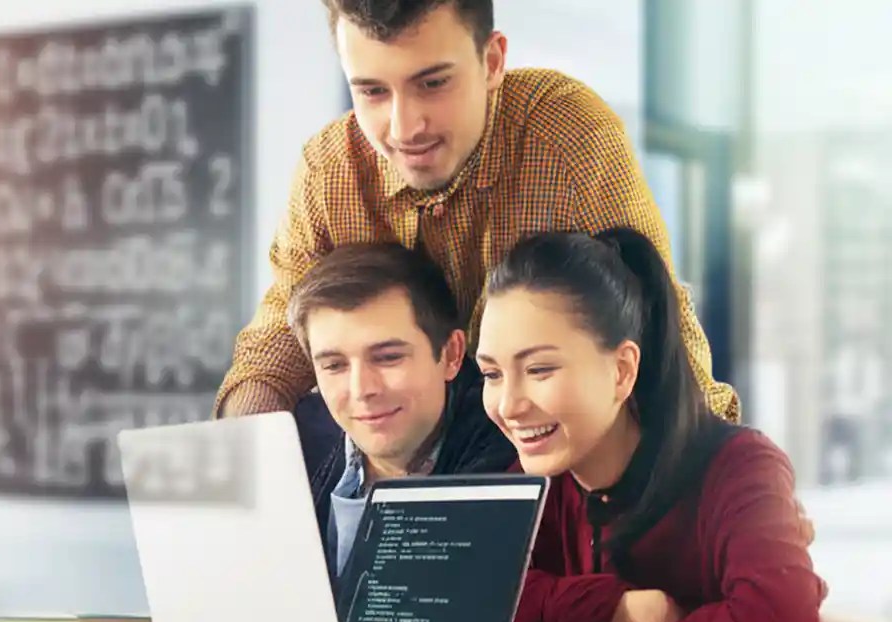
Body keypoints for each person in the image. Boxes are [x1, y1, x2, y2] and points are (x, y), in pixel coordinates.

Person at [216, 0, 739, 425]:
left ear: (491, 62)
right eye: (372, 91)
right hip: (415, 462)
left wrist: (731, 481)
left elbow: (658, 318)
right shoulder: (329, 171)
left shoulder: (566, 137)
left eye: (433, 83)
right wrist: (239, 460)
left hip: (553, 461)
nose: (404, 127)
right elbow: (282, 334)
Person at [473, 227, 829, 622]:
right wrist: (632, 613)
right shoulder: (534, 482)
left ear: (622, 370)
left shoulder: (739, 468)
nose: (508, 406)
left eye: (539, 369)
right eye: (491, 375)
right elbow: (467, 598)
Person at [283, 242, 515, 579]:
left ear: (451, 355)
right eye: (334, 365)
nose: (362, 389)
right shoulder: (294, 448)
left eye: (389, 357)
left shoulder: (510, 459)